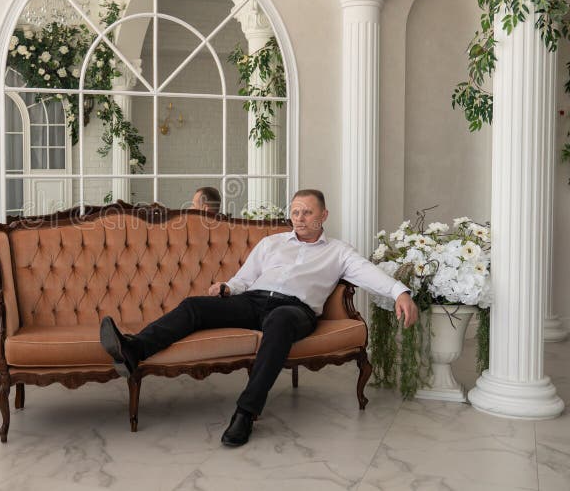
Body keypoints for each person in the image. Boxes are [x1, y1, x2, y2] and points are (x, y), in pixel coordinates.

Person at [100, 189, 417, 447]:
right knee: (195, 307)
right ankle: (133, 350)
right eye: (295, 211)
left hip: (295, 311)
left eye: (307, 212)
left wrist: (400, 292)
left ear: (324, 215)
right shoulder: (272, 243)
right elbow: (244, 278)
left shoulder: (338, 251)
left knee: (279, 322)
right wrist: (227, 287)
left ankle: (246, 412)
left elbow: (369, 274)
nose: (299, 218)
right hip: (253, 301)